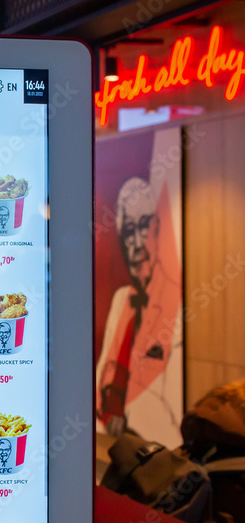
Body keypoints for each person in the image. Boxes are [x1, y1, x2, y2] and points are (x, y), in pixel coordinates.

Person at [96, 175, 183, 448]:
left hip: (154, 455)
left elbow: (171, 424)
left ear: (158, 229)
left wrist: (128, 416)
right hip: (109, 449)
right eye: (128, 231)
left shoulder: (177, 305)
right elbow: (101, 381)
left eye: (143, 227)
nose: (135, 242)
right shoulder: (121, 300)